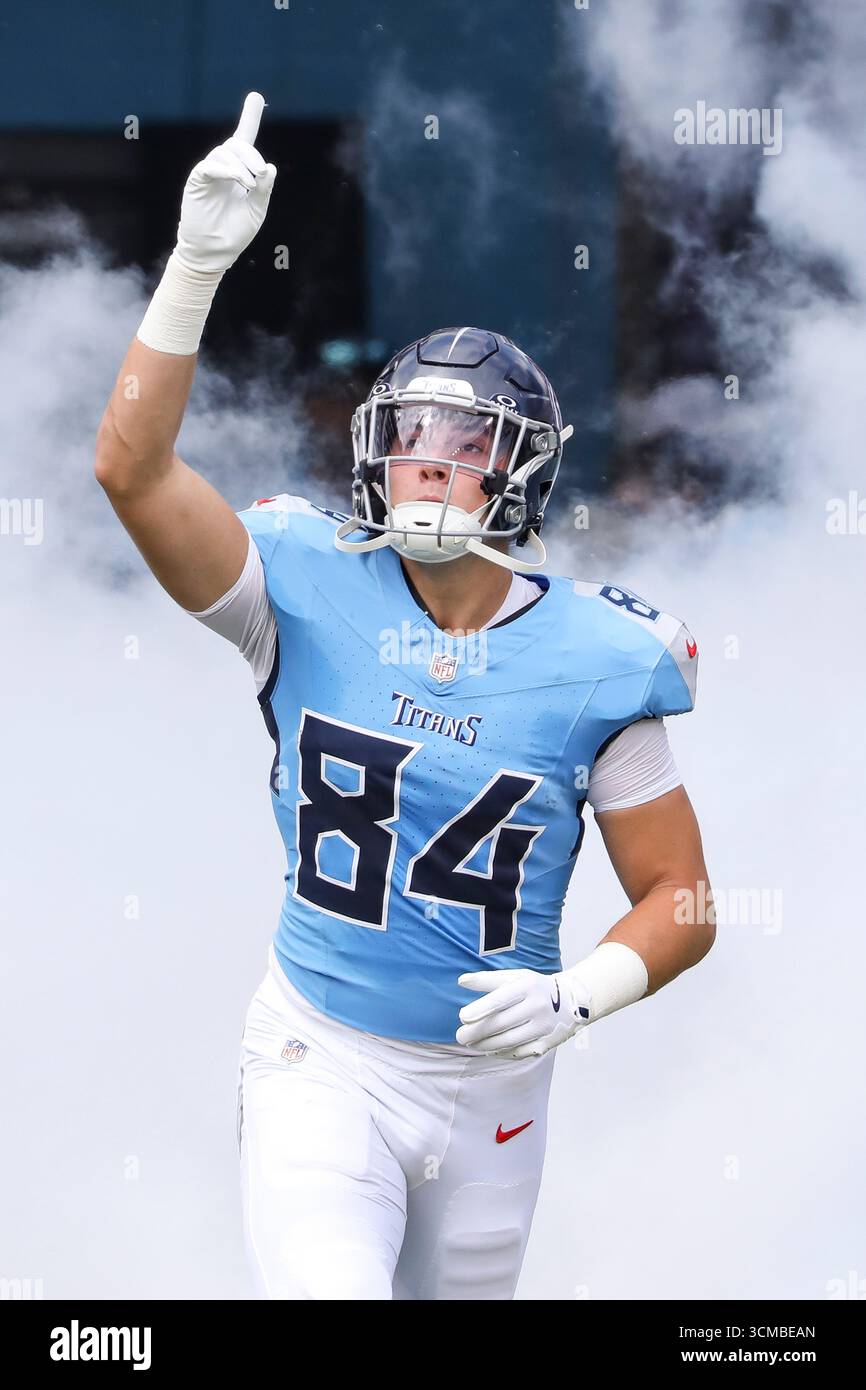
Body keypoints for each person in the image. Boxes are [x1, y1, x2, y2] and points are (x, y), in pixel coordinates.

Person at [95, 93, 714, 1301]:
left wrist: (578, 992)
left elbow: (680, 899)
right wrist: (194, 265)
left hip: (493, 1094)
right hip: (316, 1058)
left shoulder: (598, 655)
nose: (428, 457)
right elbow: (130, 468)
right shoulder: (300, 582)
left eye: (464, 439)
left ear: (520, 472)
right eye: (410, 433)